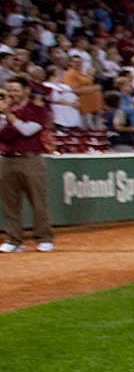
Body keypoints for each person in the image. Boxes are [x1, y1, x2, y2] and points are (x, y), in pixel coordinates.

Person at [0, 77, 53, 253]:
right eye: (8, 90)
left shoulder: (36, 109)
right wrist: (6, 115)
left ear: (25, 91)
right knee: (10, 203)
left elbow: (28, 130)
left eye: (14, 90)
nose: (11, 94)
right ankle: (14, 240)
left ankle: (44, 238)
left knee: (37, 201)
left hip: (30, 159)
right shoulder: (5, 110)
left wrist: (8, 116)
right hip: (7, 159)